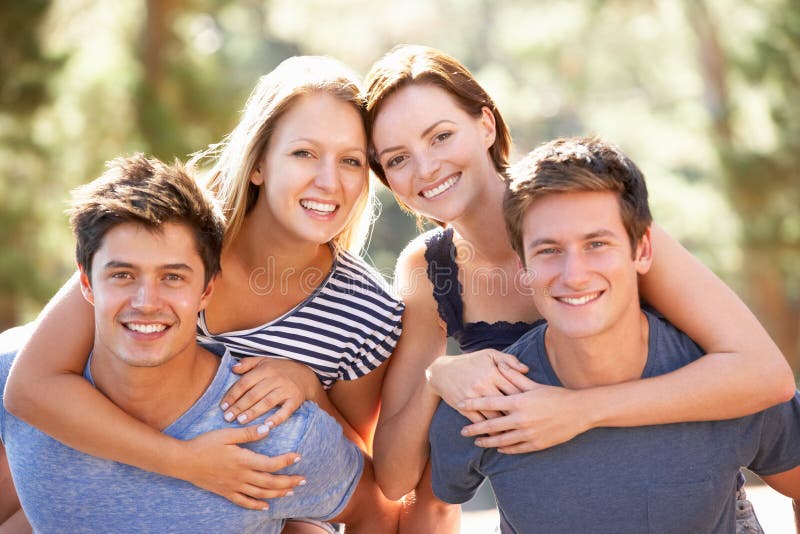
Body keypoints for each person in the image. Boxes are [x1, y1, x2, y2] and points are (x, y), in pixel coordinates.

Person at [364, 45, 794, 532]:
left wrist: (578, 411)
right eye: (398, 159)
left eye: (440, 136)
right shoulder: (429, 268)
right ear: (386, 179)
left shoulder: (588, 213)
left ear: (486, 125)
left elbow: (765, 375)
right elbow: (397, 478)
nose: (425, 169)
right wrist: (437, 376)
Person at [3, 57, 402, 533]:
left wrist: (309, 385)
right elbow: (31, 386)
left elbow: (355, 469)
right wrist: (186, 462)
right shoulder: (177, 231)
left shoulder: (364, 310)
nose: (328, 181)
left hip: (251, 506)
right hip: (106, 457)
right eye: (304, 153)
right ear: (257, 164)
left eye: (351, 161)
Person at [428, 136, 800, 532]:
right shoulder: (489, 401)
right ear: (522, 265)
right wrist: (433, 373)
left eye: (597, 244)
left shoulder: (729, 387)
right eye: (549, 250)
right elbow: (424, 505)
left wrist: (583, 410)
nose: (574, 275)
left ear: (642, 251)